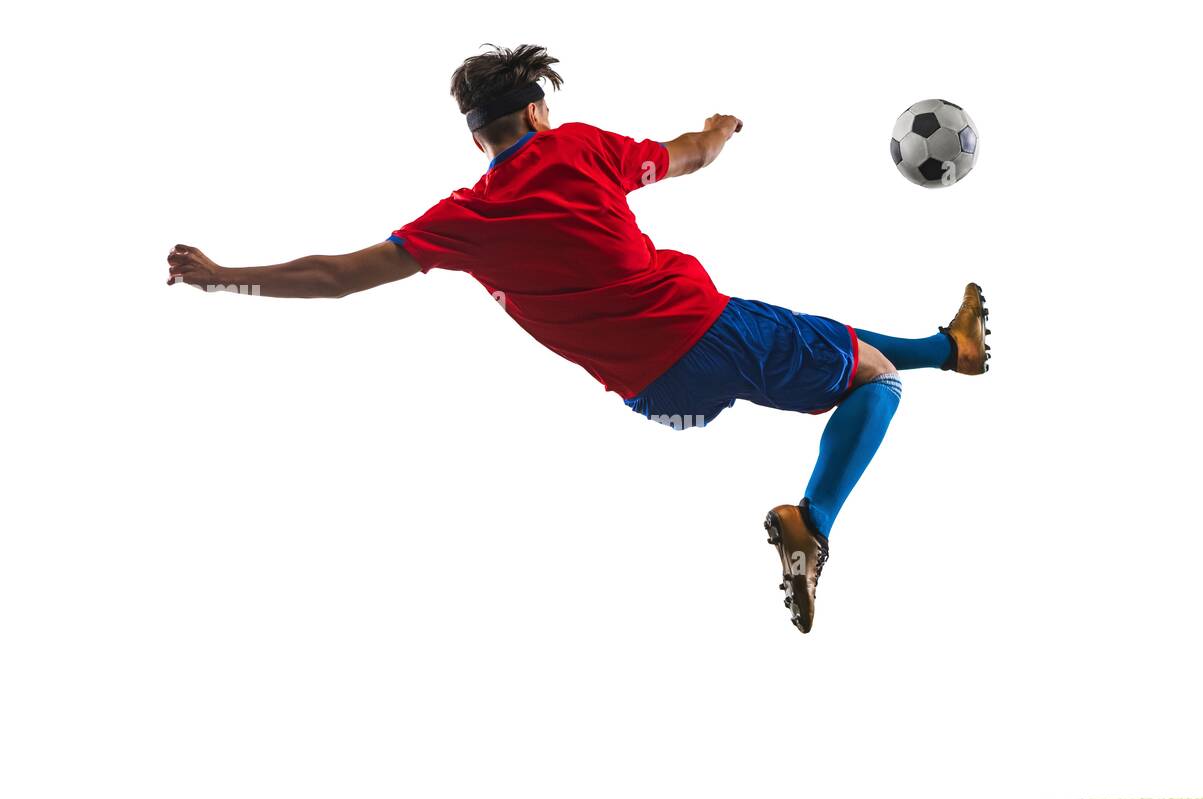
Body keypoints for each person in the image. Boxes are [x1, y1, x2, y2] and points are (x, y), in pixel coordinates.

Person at [166, 44, 990, 633]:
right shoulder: (579, 149)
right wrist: (722, 128)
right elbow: (691, 155)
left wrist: (222, 275)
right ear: (535, 112)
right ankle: (813, 523)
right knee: (874, 381)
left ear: (477, 136)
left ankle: (954, 347)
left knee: (813, 336)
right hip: (703, 332)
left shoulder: (462, 219)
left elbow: (337, 275)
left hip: (658, 398)